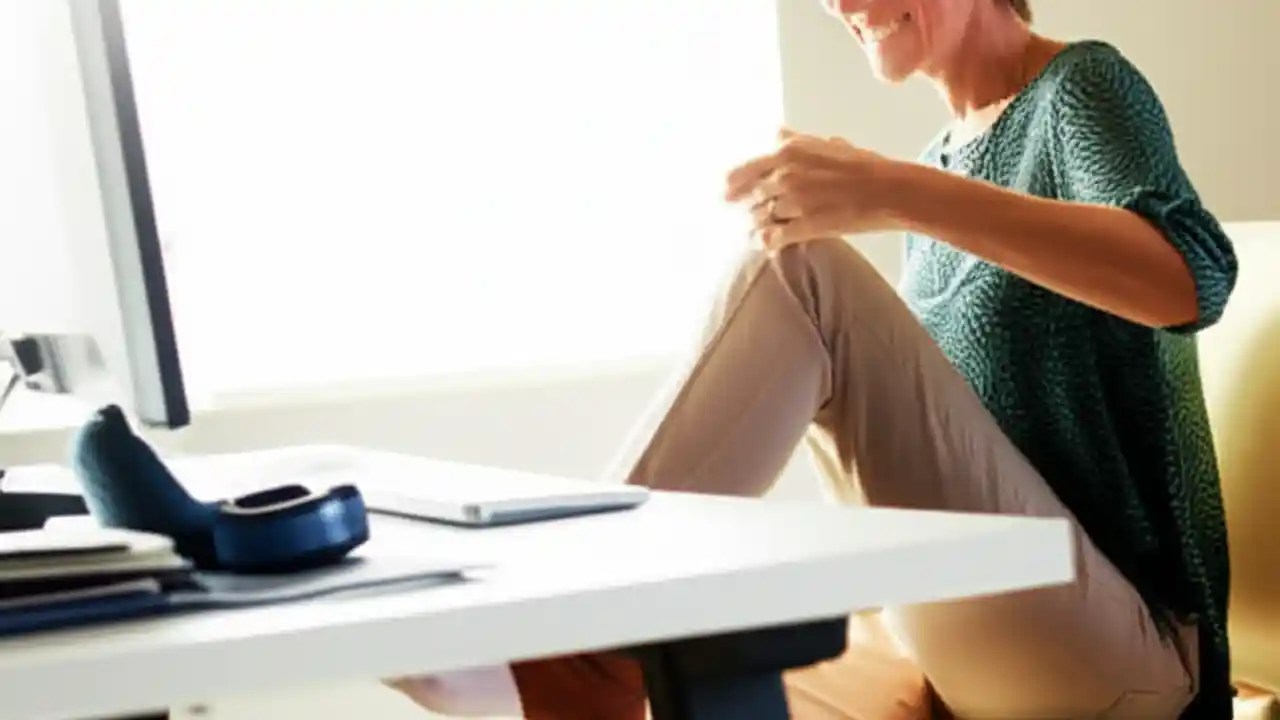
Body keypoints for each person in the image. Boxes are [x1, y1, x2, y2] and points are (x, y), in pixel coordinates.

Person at [389, 0, 1237, 717]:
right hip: (999, 632)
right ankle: (585, 635)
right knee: (716, 662)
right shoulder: (946, 163)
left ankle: (585, 649)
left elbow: (1190, 277)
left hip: (1136, 658)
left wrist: (890, 193)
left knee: (805, 271)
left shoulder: (1079, 87)